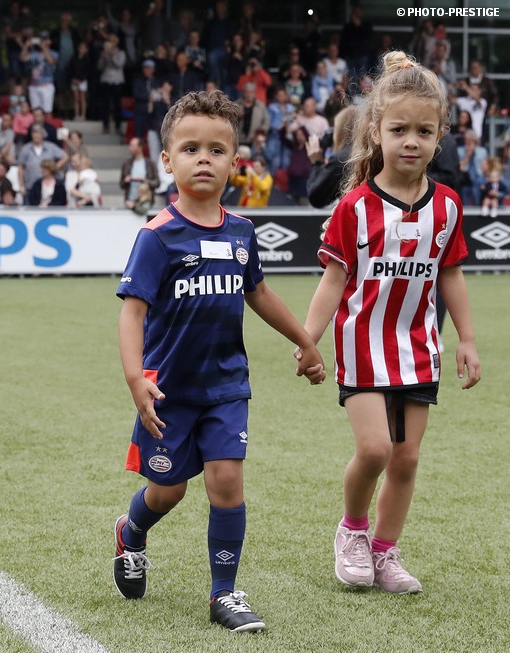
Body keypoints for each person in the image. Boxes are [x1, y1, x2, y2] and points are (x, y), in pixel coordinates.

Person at [112, 89, 325, 633]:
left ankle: (222, 594)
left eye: (216, 149)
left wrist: (305, 339)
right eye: (190, 149)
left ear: (235, 160)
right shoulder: (157, 237)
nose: (203, 159)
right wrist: (136, 379)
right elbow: (132, 313)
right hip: (167, 393)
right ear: (167, 160)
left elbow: (258, 294)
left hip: (227, 387)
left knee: (226, 481)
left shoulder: (241, 232)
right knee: (168, 491)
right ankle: (131, 532)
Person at [302, 51, 481, 597]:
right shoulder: (353, 207)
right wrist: (307, 340)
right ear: (375, 131)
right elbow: (333, 281)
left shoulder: (447, 206)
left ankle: (385, 551)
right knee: (376, 449)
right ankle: (352, 532)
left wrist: (468, 339)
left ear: (440, 135)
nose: (411, 141)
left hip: (419, 348)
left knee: (405, 459)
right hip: (360, 346)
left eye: (424, 131)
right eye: (399, 129)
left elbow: (450, 276)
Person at [120, 137, 158, 211]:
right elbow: (121, 184)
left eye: (133, 146)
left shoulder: (150, 164)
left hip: (145, 202)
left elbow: (157, 183)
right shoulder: (126, 164)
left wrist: (144, 180)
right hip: (130, 202)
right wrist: (126, 180)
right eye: (130, 145)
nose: (130, 148)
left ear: (140, 147)